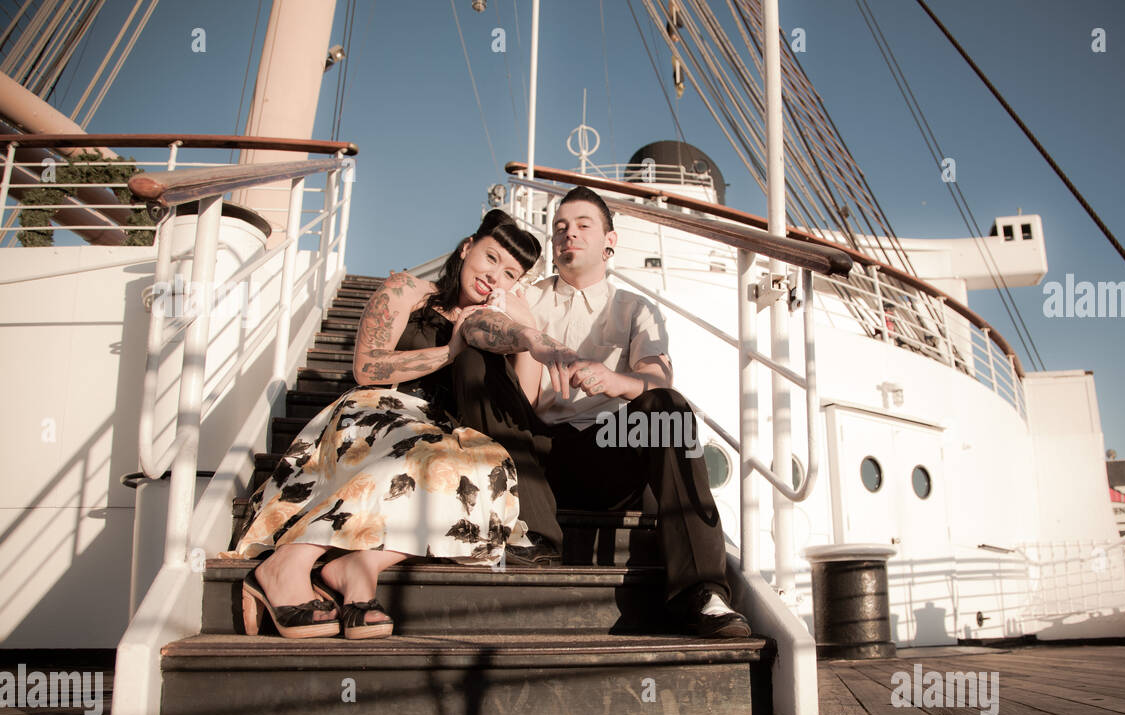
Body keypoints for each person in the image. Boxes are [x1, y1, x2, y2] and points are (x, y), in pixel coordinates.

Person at [218, 209, 542, 640]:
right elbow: (368, 367)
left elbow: (526, 404)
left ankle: (358, 567)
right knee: (417, 452)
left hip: (439, 430)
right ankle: (286, 564)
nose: (494, 277)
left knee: (485, 466)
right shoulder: (409, 289)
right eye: (490, 258)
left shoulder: (493, 331)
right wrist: (451, 349)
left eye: (509, 273)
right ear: (467, 248)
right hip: (376, 410)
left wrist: (528, 329)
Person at [447, 186, 752, 639]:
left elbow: (655, 379)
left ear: (610, 242)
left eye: (583, 225)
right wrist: (528, 332)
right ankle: (527, 528)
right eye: (560, 228)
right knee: (480, 368)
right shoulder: (524, 297)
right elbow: (522, 398)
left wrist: (614, 381)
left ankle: (701, 591)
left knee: (667, 407)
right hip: (539, 454)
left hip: (611, 447)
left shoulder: (634, 309)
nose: (569, 234)